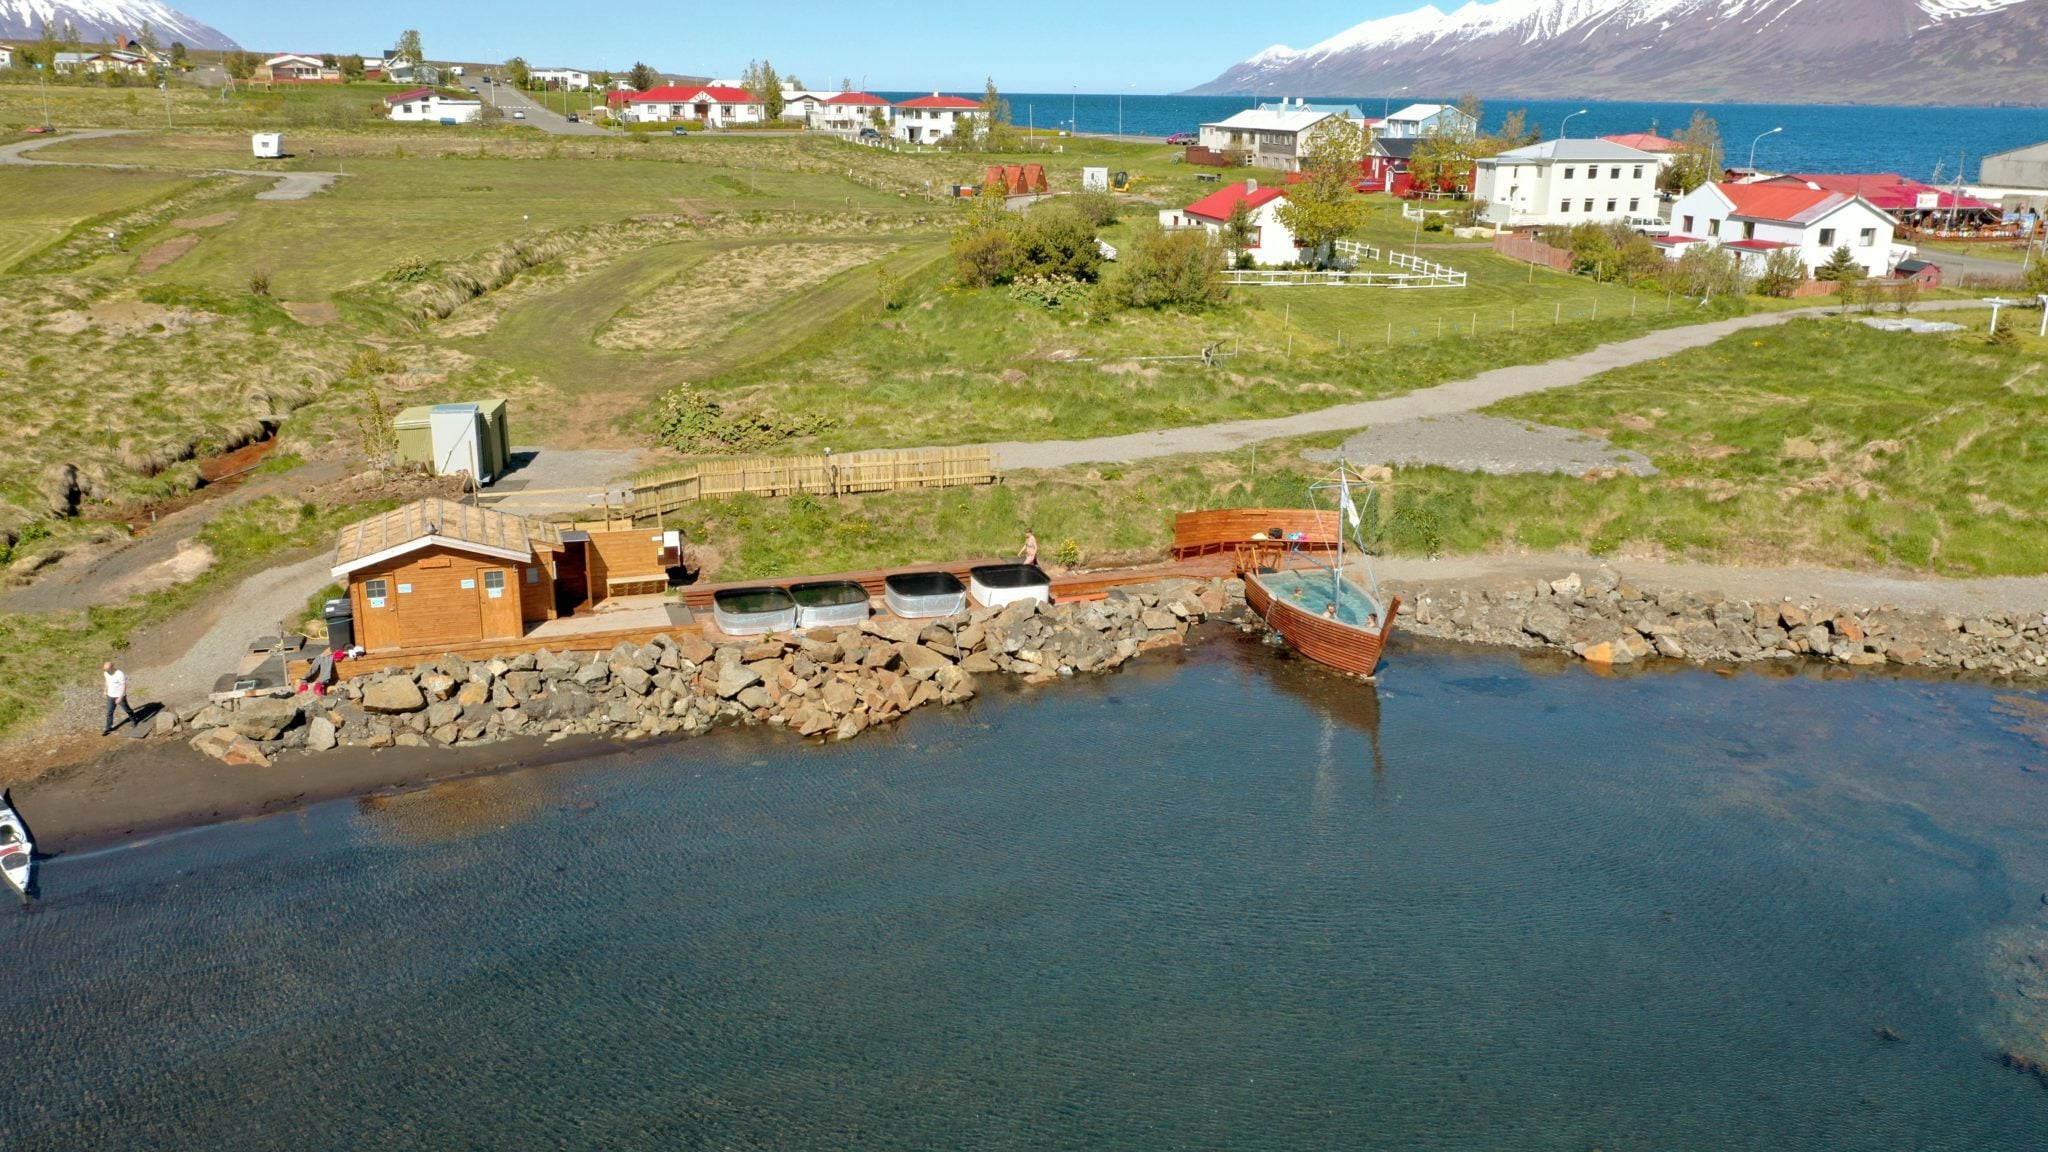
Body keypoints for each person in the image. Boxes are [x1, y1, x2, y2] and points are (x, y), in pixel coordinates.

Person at [102, 661, 138, 735]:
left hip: (119, 696)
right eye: (105, 669)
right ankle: (108, 727)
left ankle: (134, 719)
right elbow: (107, 681)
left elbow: (124, 685)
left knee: (126, 709)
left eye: (107, 669)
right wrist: (105, 691)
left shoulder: (119, 674)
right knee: (109, 712)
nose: (106, 671)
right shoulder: (106, 673)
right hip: (110, 696)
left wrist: (120, 697)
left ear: (112, 667)